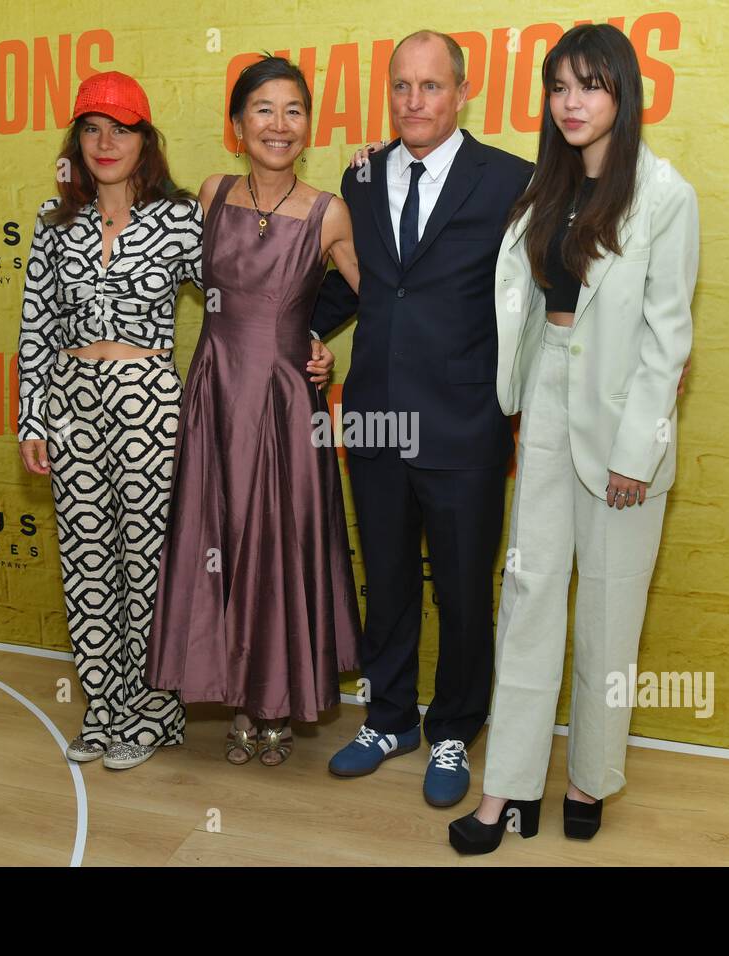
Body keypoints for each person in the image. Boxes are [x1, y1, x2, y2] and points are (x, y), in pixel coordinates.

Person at [448, 23, 699, 854]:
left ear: (623, 94)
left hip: (625, 417)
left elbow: (669, 339)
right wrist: (521, 395)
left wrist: (640, 451)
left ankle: (590, 775)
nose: (571, 103)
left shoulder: (664, 194)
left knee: (609, 613)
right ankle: (507, 789)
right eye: (559, 86)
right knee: (526, 600)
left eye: (590, 85)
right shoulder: (541, 191)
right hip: (549, 402)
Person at [312, 30, 534, 807]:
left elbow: (546, 295)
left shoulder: (513, 179)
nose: (415, 101)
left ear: (462, 92)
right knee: (391, 578)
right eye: (402, 86)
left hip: (465, 423)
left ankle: (452, 732)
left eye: (431, 87)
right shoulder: (361, 174)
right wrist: (304, 331)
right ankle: (389, 716)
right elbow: (363, 282)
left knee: (466, 591)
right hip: (372, 414)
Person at [145, 56, 361, 766]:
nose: (279, 123)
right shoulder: (211, 193)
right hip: (213, 394)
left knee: (276, 544)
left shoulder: (330, 211)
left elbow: (377, 294)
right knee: (221, 537)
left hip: (281, 402)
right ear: (237, 125)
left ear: (310, 125)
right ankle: (237, 695)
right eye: (263, 109)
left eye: (294, 109)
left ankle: (272, 703)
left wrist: (315, 341)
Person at [17, 71, 202, 771]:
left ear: (144, 141)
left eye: (120, 129)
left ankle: (155, 712)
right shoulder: (52, 220)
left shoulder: (179, 218)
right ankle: (105, 706)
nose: (105, 142)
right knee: (88, 562)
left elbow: (232, 300)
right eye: (92, 129)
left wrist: (293, 342)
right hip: (69, 403)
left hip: (148, 400)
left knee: (149, 563)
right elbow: (34, 327)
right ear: (77, 141)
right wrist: (31, 418)